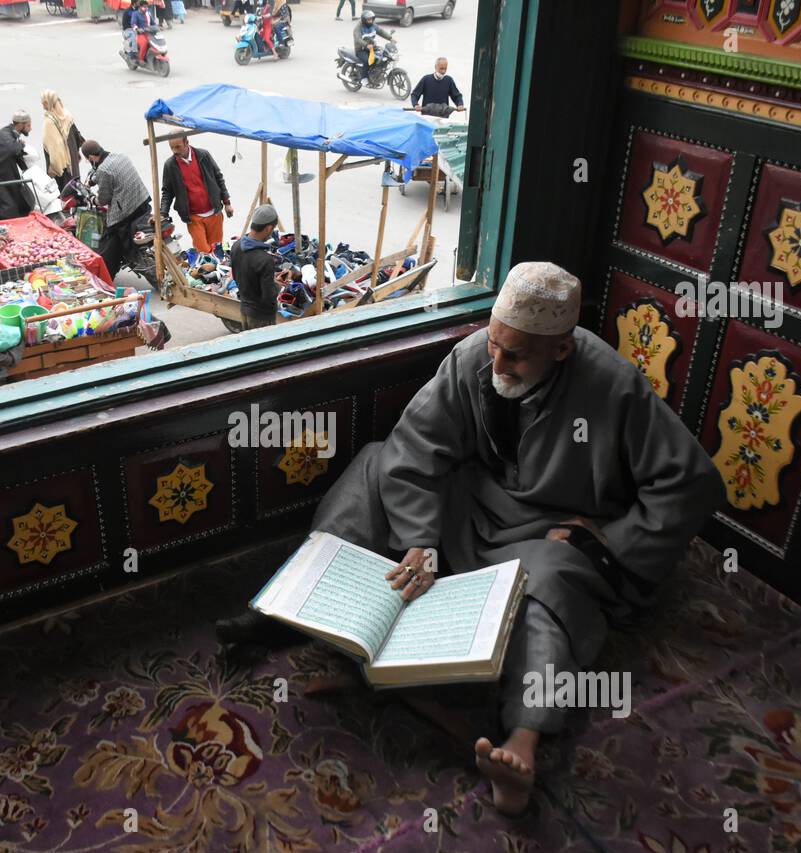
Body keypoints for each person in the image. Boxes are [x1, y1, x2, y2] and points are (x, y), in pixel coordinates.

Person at [218, 262, 724, 815]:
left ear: (560, 349)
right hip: (475, 504)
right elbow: (416, 448)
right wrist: (421, 539)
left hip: (545, 531)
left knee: (552, 584)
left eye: (516, 354)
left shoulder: (611, 384)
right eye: (494, 344)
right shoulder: (475, 357)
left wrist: (606, 539)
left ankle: (522, 742)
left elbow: (691, 484)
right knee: (374, 463)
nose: (497, 363)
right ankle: (296, 605)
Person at [81, 140, 153, 283]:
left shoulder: (103, 170)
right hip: (142, 202)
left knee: (110, 240)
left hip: (126, 212)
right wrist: (92, 181)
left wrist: (91, 199)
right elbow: (110, 174)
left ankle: (105, 278)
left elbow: (104, 199)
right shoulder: (120, 156)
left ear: (90, 157)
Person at [159, 135, 233, 254]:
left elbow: (219, 177)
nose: (175, 151)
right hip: (193, 217)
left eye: (178, 147)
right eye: (172, 148)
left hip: (214, 212)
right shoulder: (170, 165)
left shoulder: (203, 155)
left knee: (217, 248)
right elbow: (167, 191)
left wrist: (227, 203)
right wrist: (163, 213)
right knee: (203, 250)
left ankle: (217, 269)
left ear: (187, 142)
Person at [229, 204, 285, 330]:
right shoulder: (265, 260)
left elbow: (237, 276)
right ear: (268, 228)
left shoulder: (236, 246)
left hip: (244, 310)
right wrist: (277, 286)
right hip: (261, 317)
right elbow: (268, 297)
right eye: (273, 229)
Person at [0, 110, 35, 220]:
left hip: (6, 175)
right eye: (28, 125)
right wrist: (20, 145)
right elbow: (13, 149)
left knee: (23, 203)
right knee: (10, 208)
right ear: (21, 124)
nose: (30, 129)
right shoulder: (5, 135)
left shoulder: (12, 133)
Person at [41, 89, 86, 194]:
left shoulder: (49, 122)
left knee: (63, 192)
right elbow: (77, 135)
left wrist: (54, 168)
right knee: (74, 188)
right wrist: (77, 153)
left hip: (62, 168)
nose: (43, 106)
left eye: (44, 103)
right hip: (72, 162)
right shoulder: (67, 115)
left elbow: (54, 148)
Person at [353, 11, 394, 86]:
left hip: (371, 48)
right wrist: (366, 45)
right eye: (368, 20)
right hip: (361, 49)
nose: (370, 21)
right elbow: (358, 39)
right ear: (364, 20)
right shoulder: (358, 28)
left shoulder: (373, 26)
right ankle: (364, 78)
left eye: (371, 19)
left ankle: (374, 76)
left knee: (380, 57)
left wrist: (390, 38)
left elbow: (381, 32)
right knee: (367, 61)